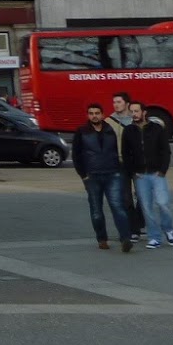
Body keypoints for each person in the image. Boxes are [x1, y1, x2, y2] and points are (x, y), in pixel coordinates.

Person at [74, 103, 134, 251]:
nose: (94, 115)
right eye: (91, 113)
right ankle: (102, 238)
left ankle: (125, 238)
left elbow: (116, 151)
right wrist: (84, 175)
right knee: (96, 210)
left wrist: (118, 169)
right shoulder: (82, 132)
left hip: (112, 174)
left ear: (102, 114)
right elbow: (76, 155)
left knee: (118, 207)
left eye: (97, 113)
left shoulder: (109, 130)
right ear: (88, 115)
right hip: (92, 176)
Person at [122, 101, 173, 248]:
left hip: (157, 173)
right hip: (140, 175)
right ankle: (154, 237)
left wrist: (162, 170)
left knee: (163, 203)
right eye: (131, 111)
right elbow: (126, 154)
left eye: (137, 111)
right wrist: (133, 171)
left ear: (144, 112)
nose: (134, 114)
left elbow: (165, 151)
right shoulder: (128, 131)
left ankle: (169, 230)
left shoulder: (157, 128)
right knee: (146, 207)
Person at [109, 91, 145, 238]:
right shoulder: (109, 122)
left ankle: (138, 222)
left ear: (127, 104)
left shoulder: (136, 120)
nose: (116, 105)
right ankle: (133, 229)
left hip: (138, 164)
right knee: (126, 198)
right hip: (119, 163)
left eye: (119, 102)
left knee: (143, 196)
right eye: (114, 102)